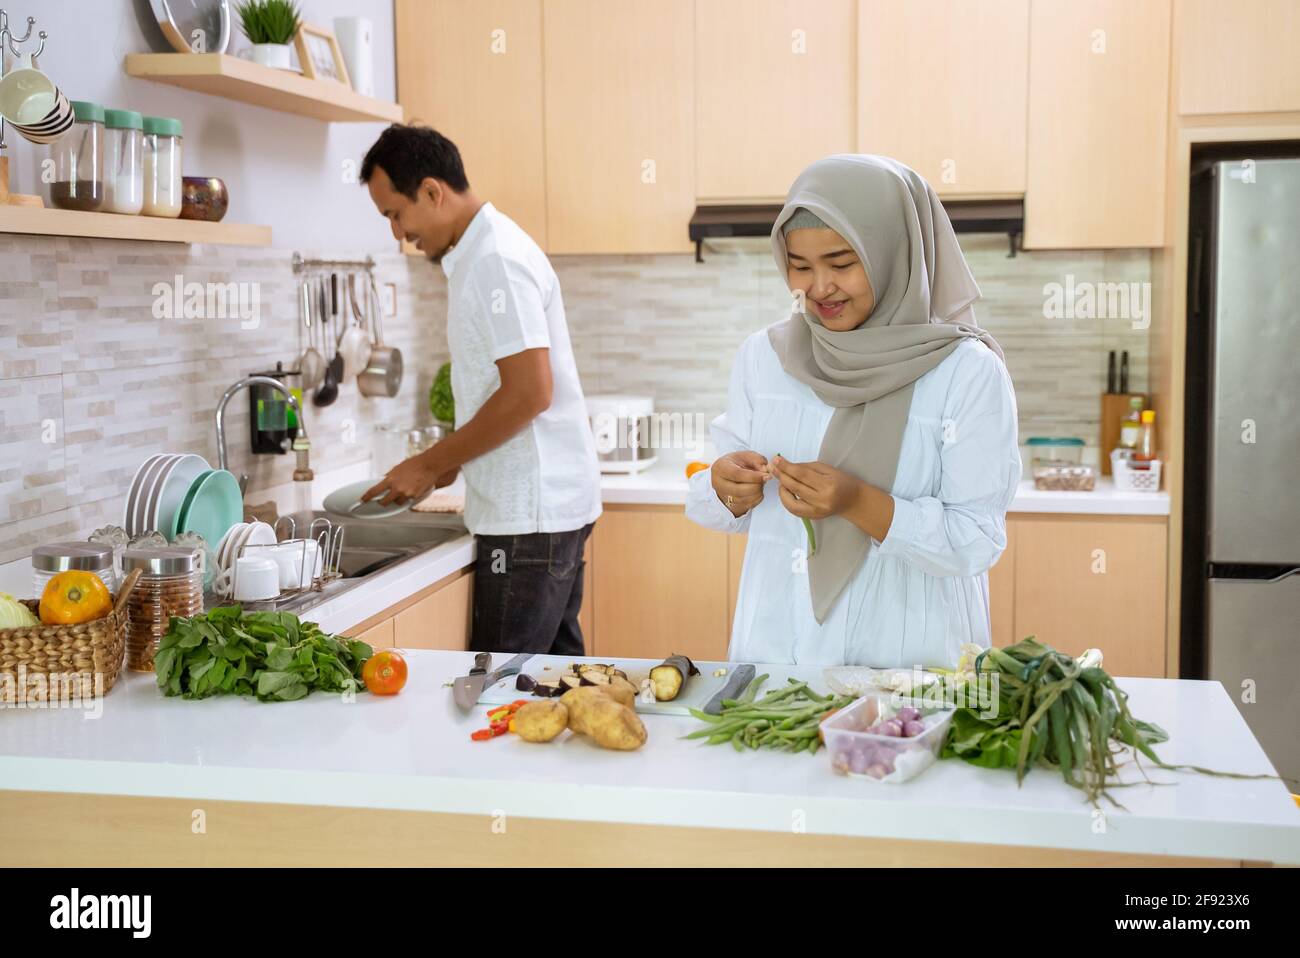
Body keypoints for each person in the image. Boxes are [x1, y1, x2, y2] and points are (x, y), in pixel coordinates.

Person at [685, 155, 1020, 668]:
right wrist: (725, 487)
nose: (819, 287)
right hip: (775, 659)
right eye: (800, 265)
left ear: (893, 253)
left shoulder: (965, 372)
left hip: (909, 672)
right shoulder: (765, 357)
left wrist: (859, 502)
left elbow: (976, 540)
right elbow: (724, 506)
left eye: (842, 263)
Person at [359, 124, 601, 655]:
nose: (397, 234)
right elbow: (511, 390)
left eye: (395, 214)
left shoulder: (494, 260)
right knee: (553, 689)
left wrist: (430, 461)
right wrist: (448, 464)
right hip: (542, 514)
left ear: (431, 191)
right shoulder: (482, 254)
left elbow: (530, 392)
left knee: (496, 695)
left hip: (527, 523)